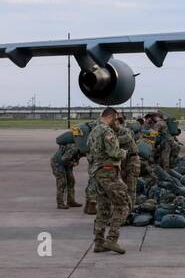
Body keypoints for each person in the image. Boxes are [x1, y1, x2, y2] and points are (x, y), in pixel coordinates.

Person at [86, 108, 129, 254]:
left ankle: (99, 242)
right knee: (123, 205)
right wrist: (124, 153)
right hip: (109, 172)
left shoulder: (93, 131)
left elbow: (89, 152)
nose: (115, 122)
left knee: (103, 208)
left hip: (97, 173)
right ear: (110, 117)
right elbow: (114, 153)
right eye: (115, 119)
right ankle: (112, 240)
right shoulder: (107, 132)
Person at [50, 141, 82, 210]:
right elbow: (64, 159)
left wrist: (76, 160)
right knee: (62, 183)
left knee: (71, 181)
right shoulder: (74, 147)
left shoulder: (80, 146)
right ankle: (60, 203)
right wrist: (73, 163)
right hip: (58, 164)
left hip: (66, 164)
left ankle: (70, 201)